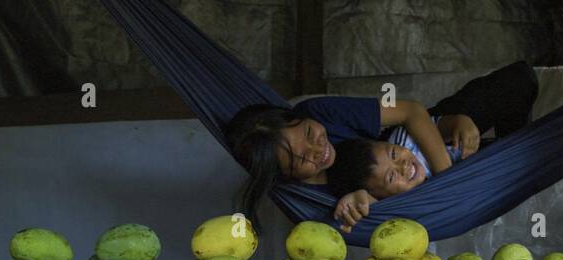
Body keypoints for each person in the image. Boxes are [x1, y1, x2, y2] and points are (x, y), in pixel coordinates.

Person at [225, 61, 538, 230]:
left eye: (309, 133)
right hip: (417, 184)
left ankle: (511, 141)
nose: (317, 150)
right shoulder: (308, 201)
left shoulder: (319, 112)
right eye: (301, 160)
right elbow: (366, 210)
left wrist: (450, 131)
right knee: (523, 165)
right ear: (286, 176)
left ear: (301, 119)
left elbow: (411, 112)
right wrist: (364, 200)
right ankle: (509, 149)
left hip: (416, 142)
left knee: (519, 80)